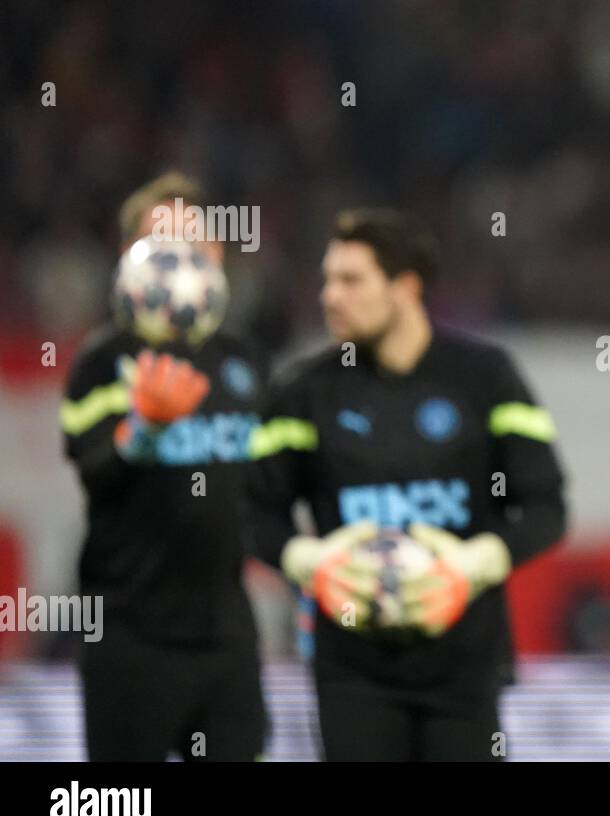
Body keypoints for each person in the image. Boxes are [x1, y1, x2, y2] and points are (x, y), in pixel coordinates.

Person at [247, 208, 566, 761]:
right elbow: (253, 512)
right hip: (351, 671)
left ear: (404, 286)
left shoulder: (486, 377)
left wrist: (476, 563)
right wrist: (309, 561)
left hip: (466, 667)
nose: (330, 296)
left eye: (351, 280)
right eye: (327, 279)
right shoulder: (303, 391)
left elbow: (546, 508)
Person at [61, 172, 268, 761]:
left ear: (218, 253)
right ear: (130, 260)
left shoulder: (246, 363)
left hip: (226, 634)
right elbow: (95, 468)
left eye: (193, 240)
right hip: (130, 636)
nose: (180, 258)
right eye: (161, 242)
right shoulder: (103, 362)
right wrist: (145, 429)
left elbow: (269, 483)